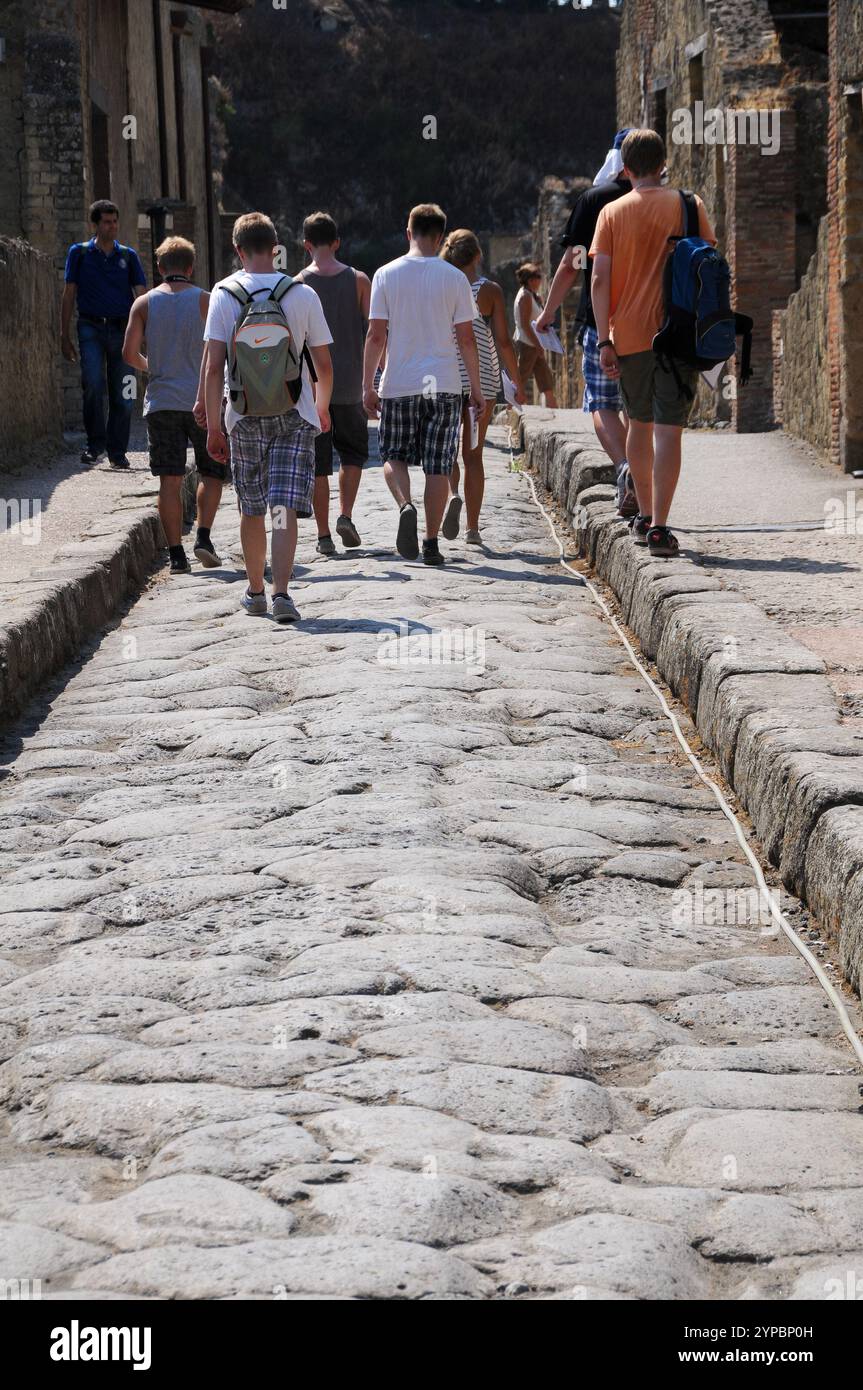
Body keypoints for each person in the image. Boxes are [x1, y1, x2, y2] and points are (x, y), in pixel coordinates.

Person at [590, 128, 716, 558]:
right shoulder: (689, 205)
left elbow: (599, 279)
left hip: (628, 336)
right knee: (669, 431)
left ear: (625, 170)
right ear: (663, 164)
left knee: (638, 426)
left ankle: (642, 516)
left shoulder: (611, 213)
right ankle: (661, 526)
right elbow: (710, 265)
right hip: (678, 335)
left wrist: (604, 338)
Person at [203, 212, 333, 622]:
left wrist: (212, 425)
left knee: (252, 508)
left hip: (242, 415)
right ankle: (282, 595)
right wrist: (322, 407)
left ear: (238, 250)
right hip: (293, 412)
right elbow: (324, 366)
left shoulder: (223, 294)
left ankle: (255, 591)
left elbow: (212, 368)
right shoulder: (301, 294)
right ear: (275, 248)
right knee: (283, 508)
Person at [362, 203, 483, 567]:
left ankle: (405, 505)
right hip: (443, 383)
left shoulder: (385, 274)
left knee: (393, 455)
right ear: (440, 237)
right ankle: (431, 543)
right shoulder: (455, 279)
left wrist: (368, 384)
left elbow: (375, 334)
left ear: (408, 232)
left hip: (400, 381)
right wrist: (475, 389)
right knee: (437, 464)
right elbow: (466, 340)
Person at [536, 129, 635, 516]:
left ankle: (626, 469)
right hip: (651, 323)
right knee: (638, 406)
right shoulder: (668, 201)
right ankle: (641, 477)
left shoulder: (594, 201)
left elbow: (572, 265)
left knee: (602, 402)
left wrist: (547, 314)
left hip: (602, 323)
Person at [122, 236, 227, 575]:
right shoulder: (206, 301)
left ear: (160, 267)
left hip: (161, 402)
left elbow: (127, 354)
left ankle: (176, 555)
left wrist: (154, 366)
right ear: (190, 267)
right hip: (202, 400)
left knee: (169, 479)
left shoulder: (143, 304)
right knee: (211, 472)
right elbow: (220, 351)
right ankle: (204, 537)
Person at [439, 229, 525, 545]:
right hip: (483, 380)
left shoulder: (441, 286)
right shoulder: (489, 291)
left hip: (446, 376)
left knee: (446, 449)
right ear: (478, 256)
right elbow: (503, 341)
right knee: (473, 455)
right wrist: (516, 379)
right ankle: (472, 529)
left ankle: (451, 494)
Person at [295, 211, 371, 555]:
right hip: (351, 384)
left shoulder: (296, 284)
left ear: (306, 245)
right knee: (353, 455)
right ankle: (346, 514)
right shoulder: (359, 280)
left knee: (319, 465)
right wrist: (376, 377)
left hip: (312, 391)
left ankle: (324, 535)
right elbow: (374, 332)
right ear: (337, 243)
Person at [61, 200, 147, 469]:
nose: (112, 226)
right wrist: (63, 334)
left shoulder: (129, 256)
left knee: (125, 393)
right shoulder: (80, 253)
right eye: (107, 222)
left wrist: (144, 332)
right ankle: (94, 445)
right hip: (90, 327)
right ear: (95, 224)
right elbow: (69, 293)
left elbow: (141, 294)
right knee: (93, 385)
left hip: (123, 330)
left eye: (115, 221)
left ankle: (117, 452)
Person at [513, 264, 557, 409]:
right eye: (538, 277)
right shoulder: (525, 296)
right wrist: (538, 345)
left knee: (544, 377)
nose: (540, 280)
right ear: (530, 280)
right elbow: (525, 324)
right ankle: (510, 409)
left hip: (533, 343)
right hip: (528, 343)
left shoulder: (530, 295)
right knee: (521, 378)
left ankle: (553, 408)